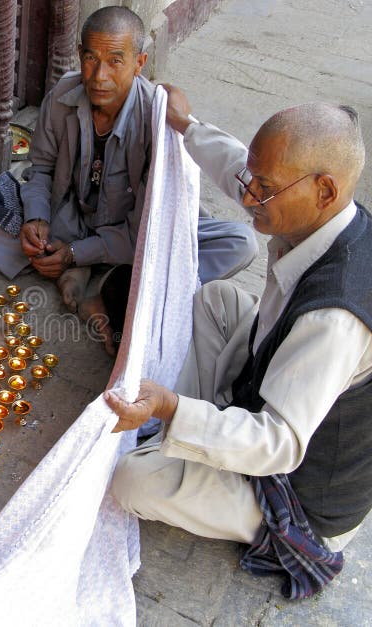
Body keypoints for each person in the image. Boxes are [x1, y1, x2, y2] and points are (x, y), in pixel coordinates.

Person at [106, 91, 370, 598]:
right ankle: (177, 430)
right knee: (219, 299)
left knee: (130, 481)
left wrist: (173, 405)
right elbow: (241, 170)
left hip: (302, 490)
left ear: (324, 190)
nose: (248, 198)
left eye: (264, 189)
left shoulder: (333, 317)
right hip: (270, 382)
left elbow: (279, 445)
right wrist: (188, 126)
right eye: (254, 181)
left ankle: (172, 429)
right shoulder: (328, 216)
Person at [0, 7, 257, 355]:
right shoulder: (63, 97)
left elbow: (147, 228)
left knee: (240, 242)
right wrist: (36, 219)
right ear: (79, 54)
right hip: (72, 223)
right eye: (91, 58)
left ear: (140, 63)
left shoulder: (157, 118)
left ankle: (104, 282)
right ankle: (103, 280)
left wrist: (75, 255)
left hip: (136, 237)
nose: (99, 76)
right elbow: (41, 168)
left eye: (115, 61)